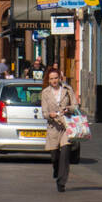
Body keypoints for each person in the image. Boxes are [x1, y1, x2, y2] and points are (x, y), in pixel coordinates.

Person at [41, 65, 78, 193]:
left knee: (65, 153)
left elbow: (75, 105)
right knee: (54, 156)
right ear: (48, 80)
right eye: (51, 79)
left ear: (59, 78)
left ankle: (61, 182)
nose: (54, 81)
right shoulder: (45, 93)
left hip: (66, 125)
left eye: (56, 78)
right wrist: (49, 115)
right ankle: (56, 169)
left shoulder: (67, 89)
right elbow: (44, 112)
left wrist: (69, 108)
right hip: (53, 126)